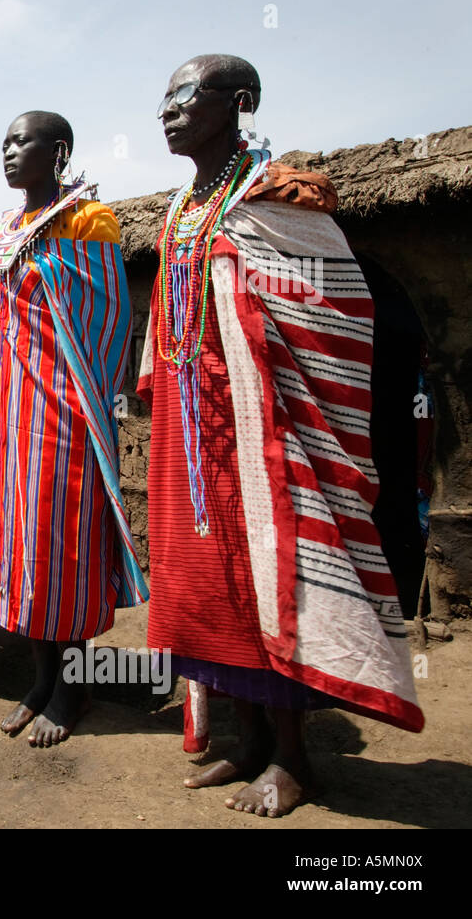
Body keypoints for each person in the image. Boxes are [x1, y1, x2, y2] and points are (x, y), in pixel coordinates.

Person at [139, 54, 423, 816]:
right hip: (191, 430)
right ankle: (247, 738)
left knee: (276, 579)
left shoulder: (279, 198)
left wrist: (249, 347)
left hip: (266, 432)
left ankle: (296, 758)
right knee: (210, 587)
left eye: (185, 95)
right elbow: (172, 306)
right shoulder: (179, 209)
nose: (167, 109)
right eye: (162, 98)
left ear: (240, 102)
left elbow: (335, 303)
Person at [0, 111, 148, 747]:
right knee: (23, 549)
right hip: (6, 423)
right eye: (5, 142)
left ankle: (73, 688)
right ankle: (42, 679)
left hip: (60, 416)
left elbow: (105, 319)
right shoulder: (4, 233)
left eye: (23, 141)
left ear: (60, 151)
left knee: (60, 548)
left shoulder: (87, 222)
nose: (10, 152)